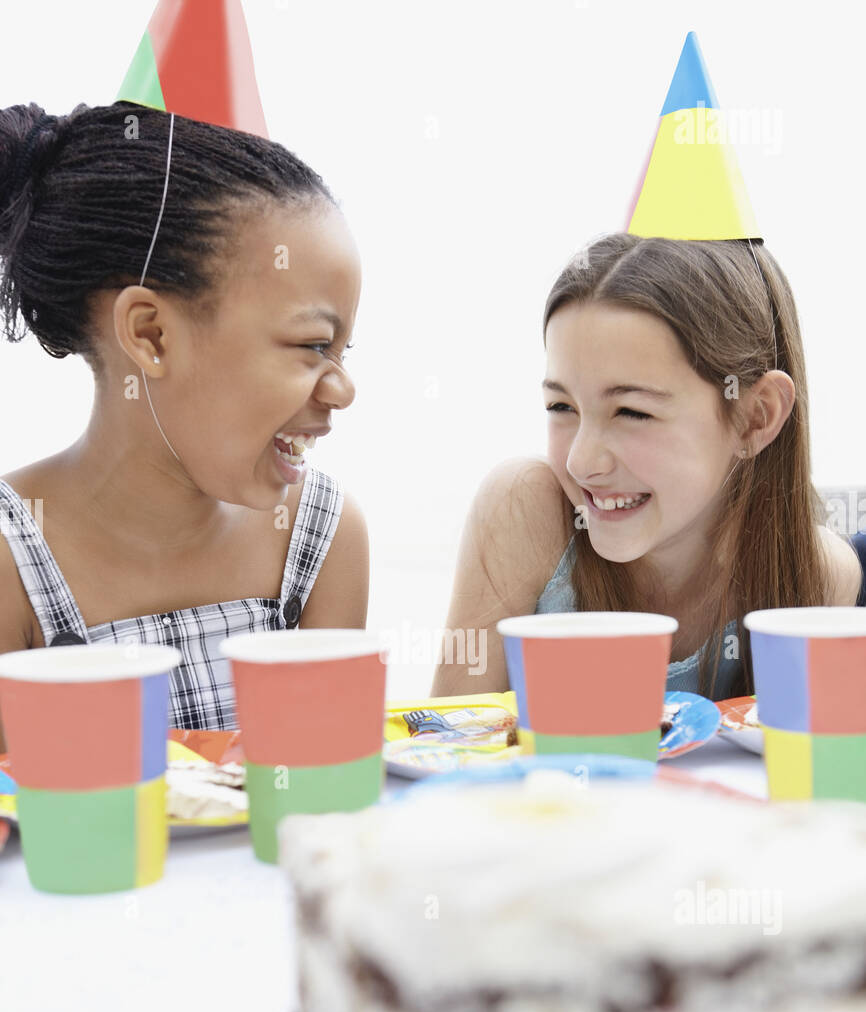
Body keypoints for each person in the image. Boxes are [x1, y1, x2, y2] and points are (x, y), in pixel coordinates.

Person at [0, 101, 367, 741]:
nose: (342, 389)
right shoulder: (13, 558)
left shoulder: (320, 538)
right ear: (152, 334)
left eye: (343, 353)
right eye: (312, 346)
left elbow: (326, 794)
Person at [432, 234, 864, 699]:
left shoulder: (820, 577)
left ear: (754, 417)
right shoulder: (525, 509)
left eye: (632, 412)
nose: (581, 461)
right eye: (560, 406)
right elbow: (450, 747)